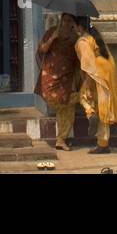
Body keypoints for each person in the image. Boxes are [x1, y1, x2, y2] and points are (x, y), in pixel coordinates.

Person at [74, 16, 117, 154]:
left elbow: (87, 64)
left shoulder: (83, 41)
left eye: (74, 25)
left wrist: (87, 81)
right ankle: (103, 143)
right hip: (107, 68)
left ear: (80, 26)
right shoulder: (95, 35)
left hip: (96, 71)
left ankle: (90, 113)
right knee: (103, 104)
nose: (74, 28)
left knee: (83, 97)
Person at [35, 12, 80, 151]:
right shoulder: (51, 32)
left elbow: (79, 59)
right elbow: (42, 50)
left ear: (73, 23)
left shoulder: (76, 39)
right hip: (50, 77)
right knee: (61, 102)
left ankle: (61, 139)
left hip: (66, 79)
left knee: (68, 109)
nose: (66, 23)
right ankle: (86, 97)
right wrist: (52, 39)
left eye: (69, 21)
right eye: (64, 20)